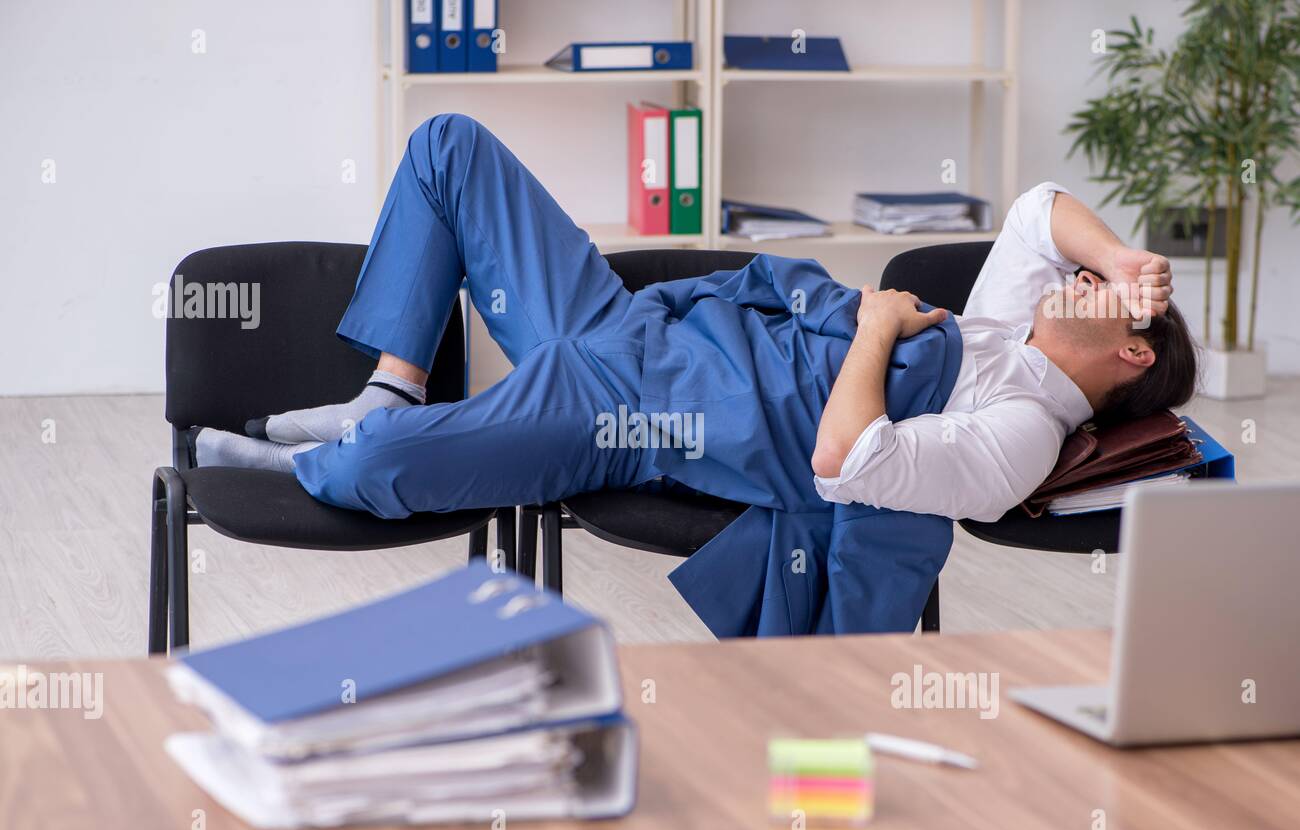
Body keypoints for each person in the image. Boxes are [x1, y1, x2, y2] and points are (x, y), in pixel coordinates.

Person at [190, 113, 1197, 636]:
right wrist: (1114, 263)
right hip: (622, 323)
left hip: (633, 409)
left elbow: (847, 462)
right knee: (449, 149)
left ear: (1132, 351)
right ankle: (391, 383)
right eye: (1074, 273)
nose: (1064, 277)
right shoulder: (1003, 327)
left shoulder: (1018, 428)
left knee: (390, 469)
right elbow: (1036, 208)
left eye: (1092, 289)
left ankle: (348, 448)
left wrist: (877, 329)